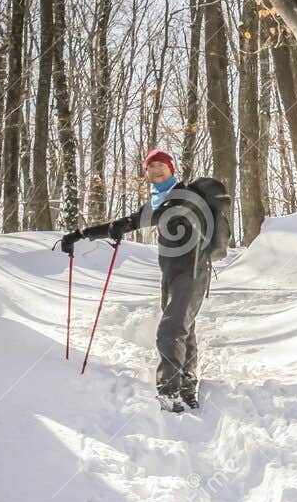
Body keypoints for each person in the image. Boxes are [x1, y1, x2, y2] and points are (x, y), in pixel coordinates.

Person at [60, 149, 218, 412]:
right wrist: (80, 234)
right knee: (183, 330)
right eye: (150, 167)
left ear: (172, 168)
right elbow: (128, 221)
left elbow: (159, 215)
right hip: (172, 273)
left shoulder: (185, 196)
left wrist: (123, 226)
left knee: (169, 331)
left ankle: (169, 392)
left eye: (161, 166)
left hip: (191, 274)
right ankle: (188, 388)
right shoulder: (160, 201)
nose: (155, 171)